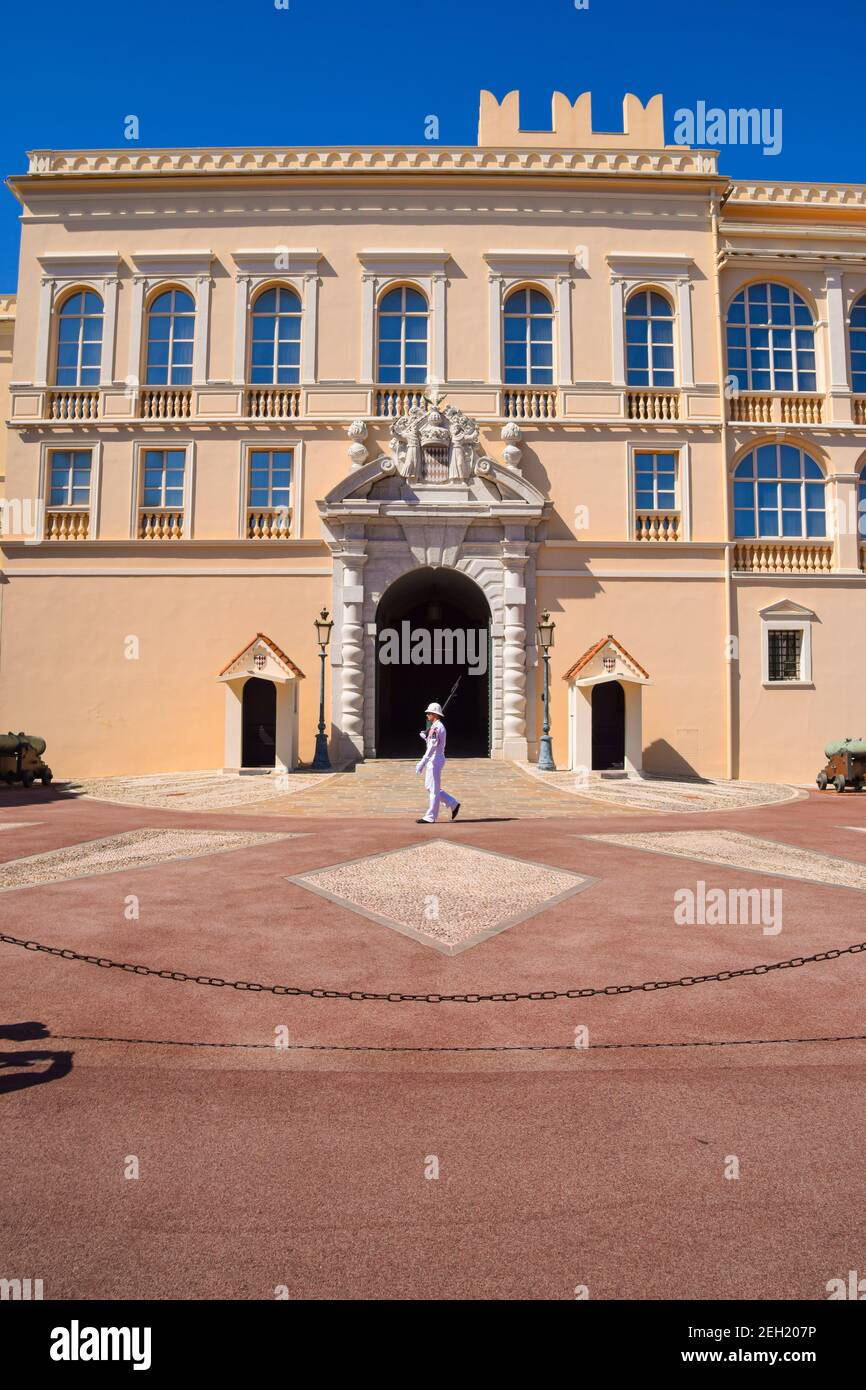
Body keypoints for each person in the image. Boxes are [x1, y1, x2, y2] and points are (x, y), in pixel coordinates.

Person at [415, 702, 460, 824]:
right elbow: (432, 742)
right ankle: (453, 803)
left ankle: (431, 816)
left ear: (434, 714)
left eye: (429, 713)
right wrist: (425, 737)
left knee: (433, 789)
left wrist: (423, 761)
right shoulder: (435, 726)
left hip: (435, 760)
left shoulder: (437, 727)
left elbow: (432, 747)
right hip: (434, 759)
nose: (427, 715)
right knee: (430, 787)